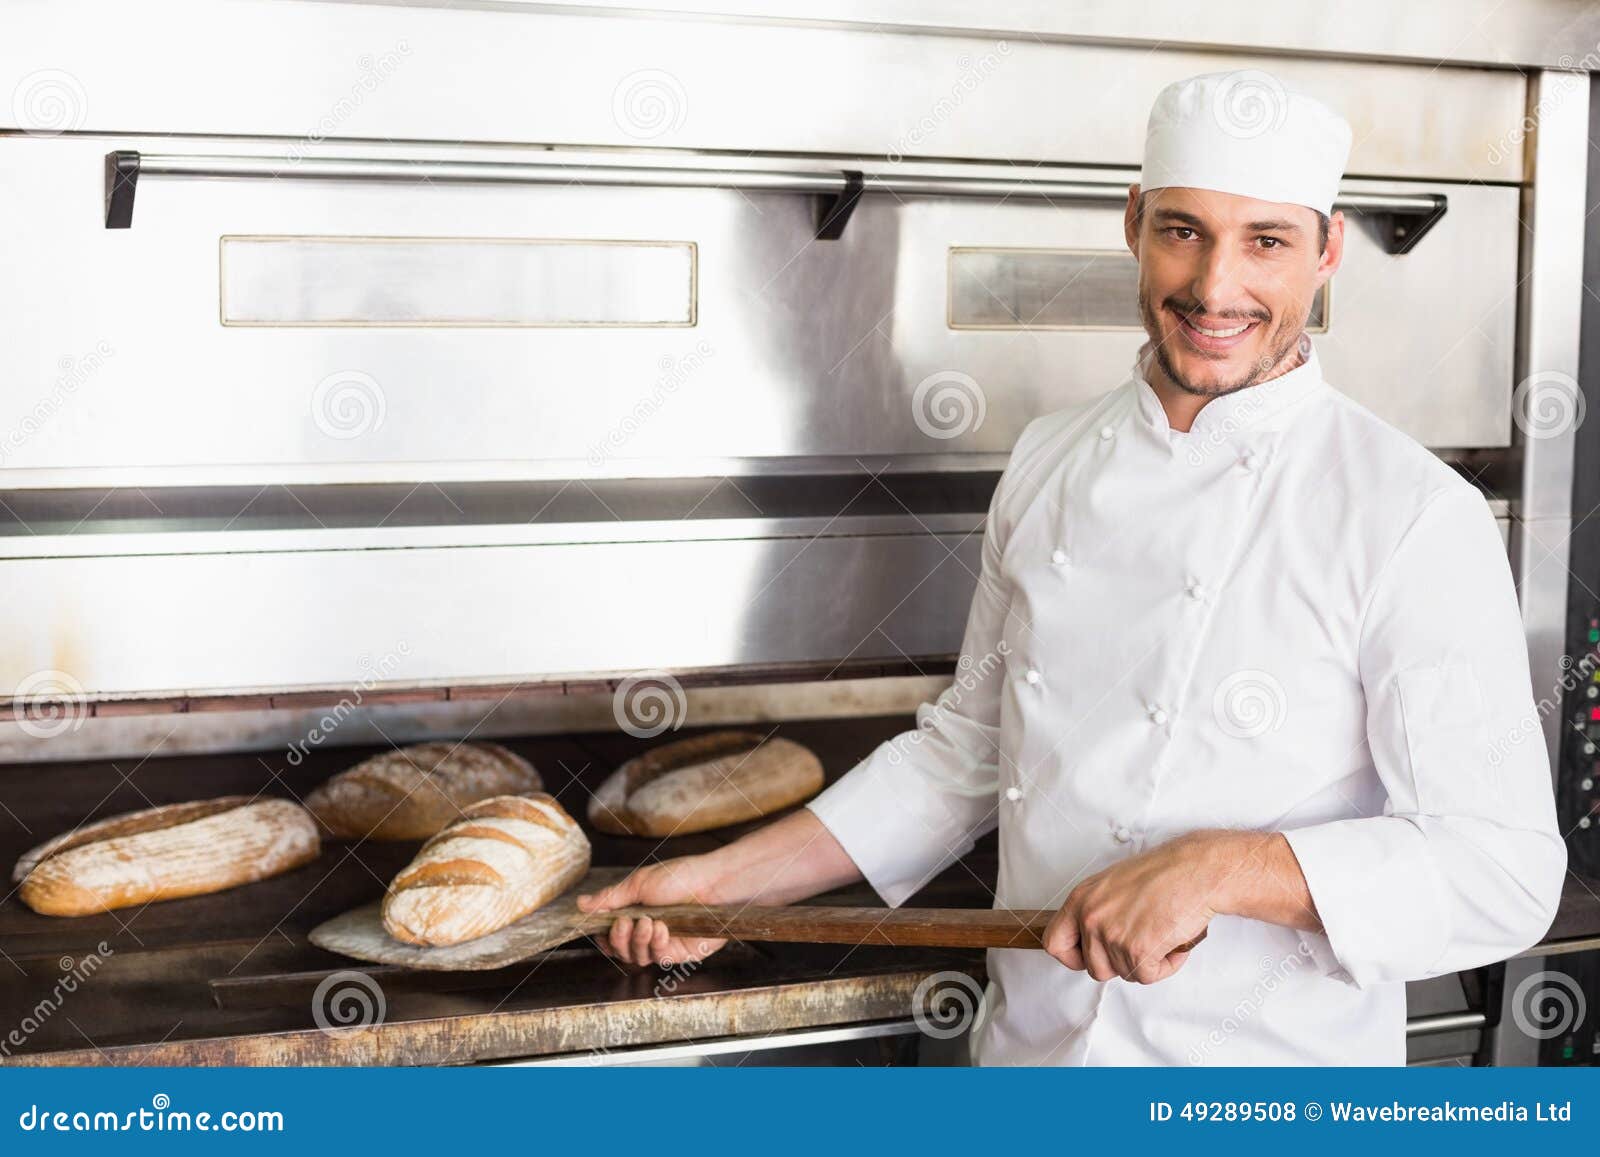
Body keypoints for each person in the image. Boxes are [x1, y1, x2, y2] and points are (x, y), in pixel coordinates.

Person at [577, 70, 1567, 1065]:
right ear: (1133, 222)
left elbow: (1502, 867)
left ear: (1327, 251)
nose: (1216, 286)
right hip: (1033, 1063)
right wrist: (725, 884)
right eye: (1183, 229)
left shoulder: (1409, 514)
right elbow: (965, 752)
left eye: (1265, 240)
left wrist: (1226, 867)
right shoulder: (1050, 460)